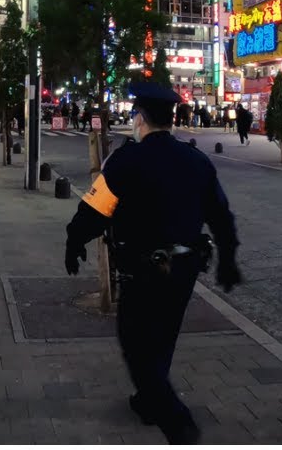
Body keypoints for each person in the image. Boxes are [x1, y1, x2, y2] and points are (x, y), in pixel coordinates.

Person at [64, 83, 241, 444]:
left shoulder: (127, 160)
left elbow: (95, 210)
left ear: (140, 118)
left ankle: (177, 421)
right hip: (186, 268)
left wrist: (74, 240)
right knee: (164, 334)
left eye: (133, 116)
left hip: (143, 268)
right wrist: (229, 258)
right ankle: (148, 401)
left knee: (134, 341)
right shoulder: (197, 161)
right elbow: (220, 215)